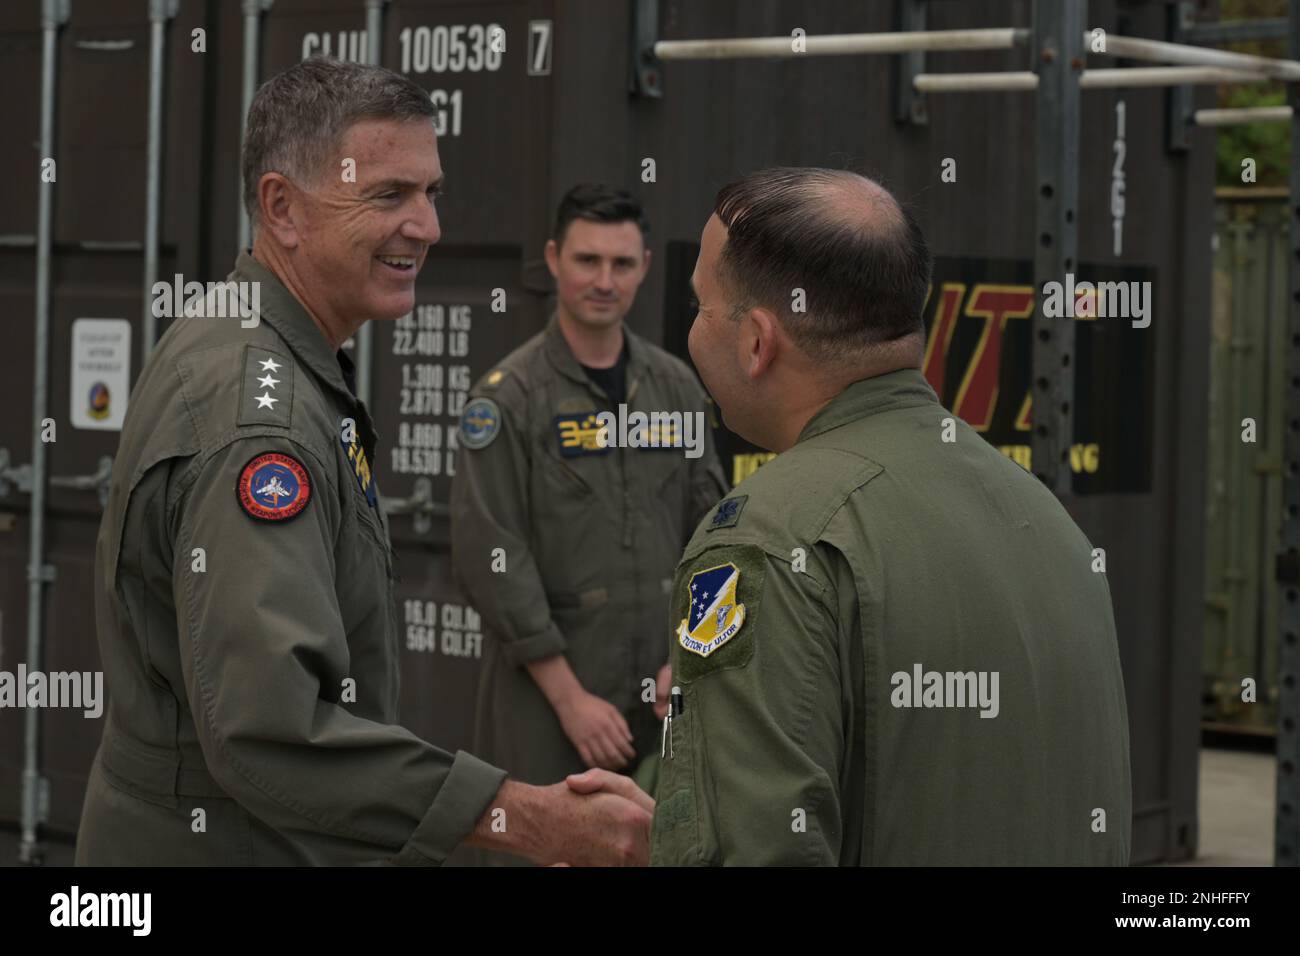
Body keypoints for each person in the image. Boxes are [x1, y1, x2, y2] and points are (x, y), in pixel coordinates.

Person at [75, 57, 650, 867]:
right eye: (388, 195)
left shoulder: (257, 343)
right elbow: (269, 733)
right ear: (283, 208)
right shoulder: (258, 422)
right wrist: (518, 817)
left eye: (431, 192)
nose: (428, 226)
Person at [645, 167, 1132, 865]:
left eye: (699, 305)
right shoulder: (1046, 518)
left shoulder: (767, 538)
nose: (692, 331)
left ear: (757, 341)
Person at [450, 185, 727, 841]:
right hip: (549, 699)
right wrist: (570, 701)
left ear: (646, 266)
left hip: (666, 691)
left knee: (667, 847)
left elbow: (715, 528)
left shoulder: (676, 389)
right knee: (549, 846)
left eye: (622, 264)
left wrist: (688, 655)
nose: (605, 281)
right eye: (587, 260)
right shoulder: (508, 399)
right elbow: (491, 556)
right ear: (553, 258)